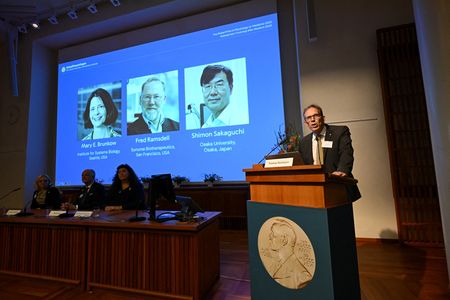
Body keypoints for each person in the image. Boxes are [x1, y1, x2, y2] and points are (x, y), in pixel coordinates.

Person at [298, 104, 361, 201]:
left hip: (338, 186)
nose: (312, 120)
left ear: (323, 118)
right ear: (306, 123)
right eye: (309, 118)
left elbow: (346, 153)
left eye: (316, 116)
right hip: (315, 190)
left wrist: (342, 171)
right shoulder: (304, 142)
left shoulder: (339, 132)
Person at [262, 219, 313, 289]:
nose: (269, 238)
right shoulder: (274, 265)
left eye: (273, 235)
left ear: (284, 240)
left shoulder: (302, 277)